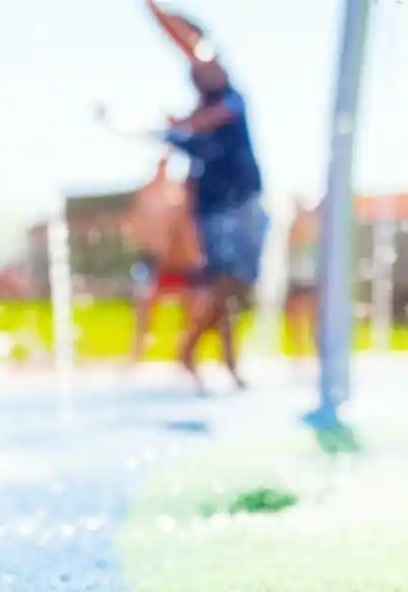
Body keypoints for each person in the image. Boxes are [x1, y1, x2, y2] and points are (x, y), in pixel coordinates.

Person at [146, 0, 266, 391]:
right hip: (216, 210)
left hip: (247, 200)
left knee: (235, 289)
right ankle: (213, 358)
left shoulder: (230, 100)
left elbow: (190, 40)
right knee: (224, 282)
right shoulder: (195, 124)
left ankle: (201, 353)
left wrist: (158, 12)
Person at [121, 154, 201, 364]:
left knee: (190, 304)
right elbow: (134, 223)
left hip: (178, 261)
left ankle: (183, 353)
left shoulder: (176, 194)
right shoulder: (148, 195)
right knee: (146, 303)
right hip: (154, 258)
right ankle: (138, 353)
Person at [285, 197, 320, 360]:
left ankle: (315, 351)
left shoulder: (310, 226)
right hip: (298, 279)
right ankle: (299, 353)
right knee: (298, 317)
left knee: (314, 318)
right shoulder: (298, 227)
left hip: (308, 279)